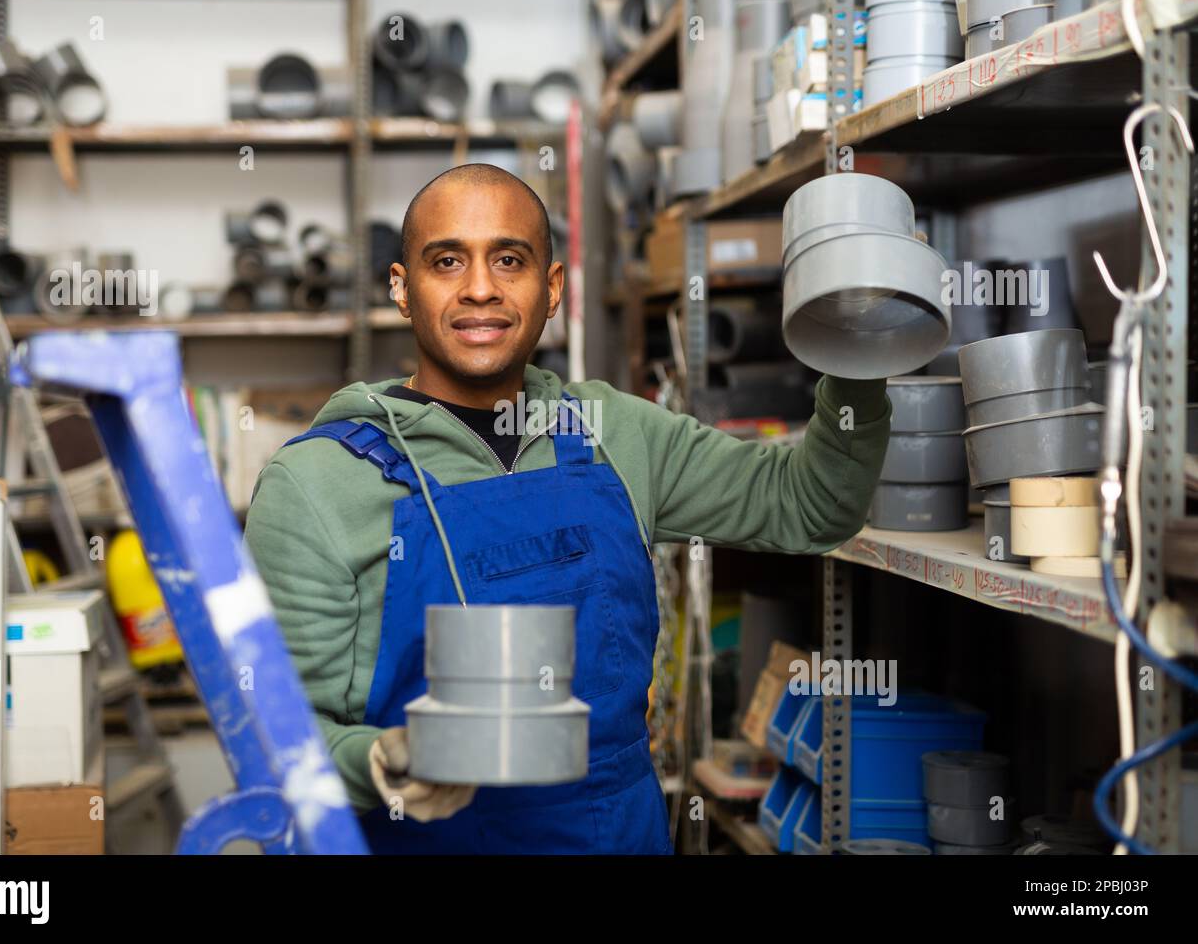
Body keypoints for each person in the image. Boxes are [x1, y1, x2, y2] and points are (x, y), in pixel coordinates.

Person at [244, 163, 891, 854]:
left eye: (510, 259)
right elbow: (277, 735)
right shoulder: (317, 480)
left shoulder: (615, 434)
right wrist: (380, 763)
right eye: (447, 260)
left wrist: (852, 342)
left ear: (551, 289)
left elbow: (813, 505)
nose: (481, 288)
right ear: (402, 288)